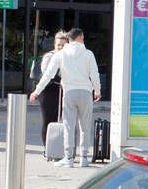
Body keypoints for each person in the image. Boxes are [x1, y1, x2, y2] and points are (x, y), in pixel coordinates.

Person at [30, 27, 100, 167]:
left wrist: (36, 91)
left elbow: (48, 75)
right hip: (86, 92)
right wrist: (97, 90)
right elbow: (94, 74)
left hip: (69, 92)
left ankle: (68, 158)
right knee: (85, 126)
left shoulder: (60, 54)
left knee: (68, 125)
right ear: (80, 38)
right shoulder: (88, 54)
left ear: (69, 39)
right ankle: (84, 158)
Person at [36, 30, 69, 152]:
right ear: (54, 45)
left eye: (63, 45)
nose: (60, 47)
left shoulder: (68, 57)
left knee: (58, 119)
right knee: (48, 120)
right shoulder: (49, 56)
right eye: (58, 44)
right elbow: (47, 73)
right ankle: (47, 149)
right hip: (47, 91)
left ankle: (56, 148)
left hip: (60, 91)